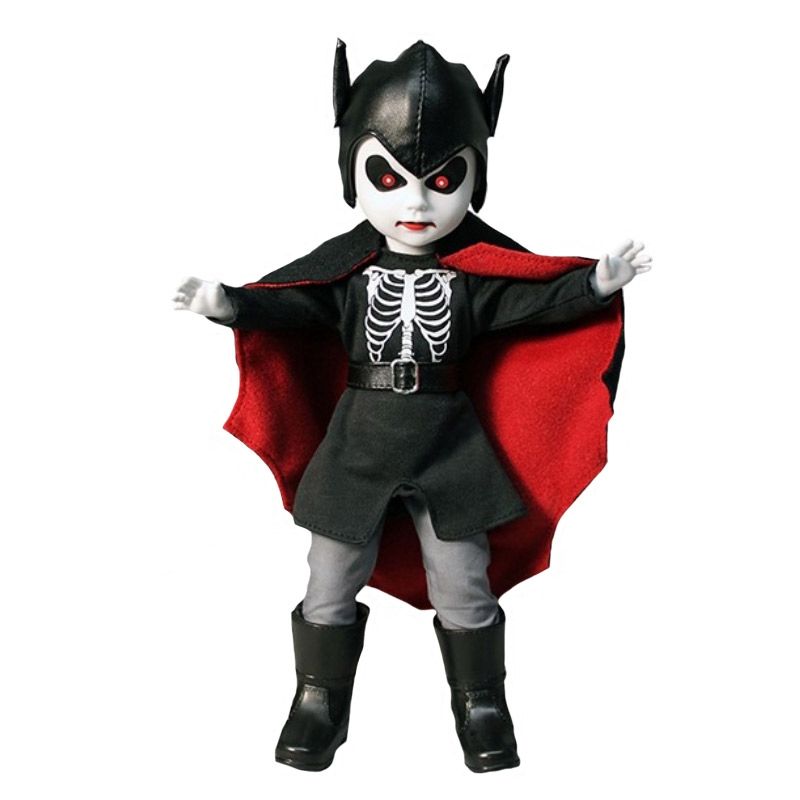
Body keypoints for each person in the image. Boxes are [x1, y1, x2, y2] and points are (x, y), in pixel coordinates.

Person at [173, 40, 651, 773]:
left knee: (463, 579)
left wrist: (591, 285)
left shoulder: (471, 281)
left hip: (448, 449)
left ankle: (480, 702)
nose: (417, 202)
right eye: (388, 179)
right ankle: (318, 699)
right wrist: (232, 304)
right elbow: (293, 308)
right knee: (329, 574)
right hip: (356, 448)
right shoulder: (347, 277)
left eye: (444, 179)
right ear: (353, 179)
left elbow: (533, 303)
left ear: (475, 180)